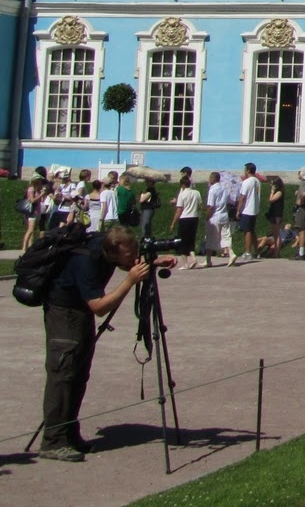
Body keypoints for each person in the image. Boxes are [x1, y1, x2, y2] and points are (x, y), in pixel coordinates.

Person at [37, 223, 177, 461]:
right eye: (129, 255)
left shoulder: (106, 248)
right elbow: (99, 307)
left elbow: (125, 264)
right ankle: (52, 441)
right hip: (64, 312)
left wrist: (152, 263)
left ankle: (69, 434)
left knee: (79, 374)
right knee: (63, 374)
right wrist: (130, 281)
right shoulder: (85, 261)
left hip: (79, 312)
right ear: (111, 252)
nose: (134, 259)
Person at [170, 174, 202, 270]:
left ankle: (185, 263)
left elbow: (179, 210)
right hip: (194, 218)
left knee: (183, 241)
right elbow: (200, 206)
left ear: (182, 185)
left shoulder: (182, 194)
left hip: (184, 218)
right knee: (191, 239)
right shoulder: (197, 193)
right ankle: (193, 258)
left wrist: (173, 223)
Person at [205, 171, 234, 267]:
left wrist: (207, 216)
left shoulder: (212, 190)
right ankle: (231, 253)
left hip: (215, 216)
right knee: (226, 235)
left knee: (210, 237)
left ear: (213, 179)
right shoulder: (225, 188)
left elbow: (210, 206)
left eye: (210, 178)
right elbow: (229, 202)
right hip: (224, 215)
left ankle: (208, 259)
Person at [236, 162, 261, 263]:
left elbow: (242, 197)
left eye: (245, 169)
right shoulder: (257, 181)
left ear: (248, 170)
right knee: (252, 230)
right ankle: (257, 251)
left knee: (247, 231)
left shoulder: (246, 182)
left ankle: (247, 252)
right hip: (254, 208)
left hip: (247, 209)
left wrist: (238, 210)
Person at [257, 176, 285, 257]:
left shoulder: (279, 192)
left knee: (277, 234)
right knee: (275, 234)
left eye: (272, 184)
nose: (271, 185)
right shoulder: (278, 192)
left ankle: (276, 253)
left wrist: (272, 191)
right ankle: (275, 252)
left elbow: (271, 199)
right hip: (273, 213)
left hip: (277, 214)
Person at [291, 179, 305, 260]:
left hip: (303, 209)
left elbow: (304, 193)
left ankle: (301, 253)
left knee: (302, 230)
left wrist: (300, 201)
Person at [21, 176, 45, 250]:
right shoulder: (31, 189)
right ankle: (24, 246)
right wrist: (41, 195)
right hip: (32, 212)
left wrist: (41, 194)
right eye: (40, 181)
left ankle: (30, 246)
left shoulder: (37, 190)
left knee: (33, 229)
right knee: (30, 229)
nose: (41, 183)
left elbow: (41, 200)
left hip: (37, 211)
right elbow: (32, 200)